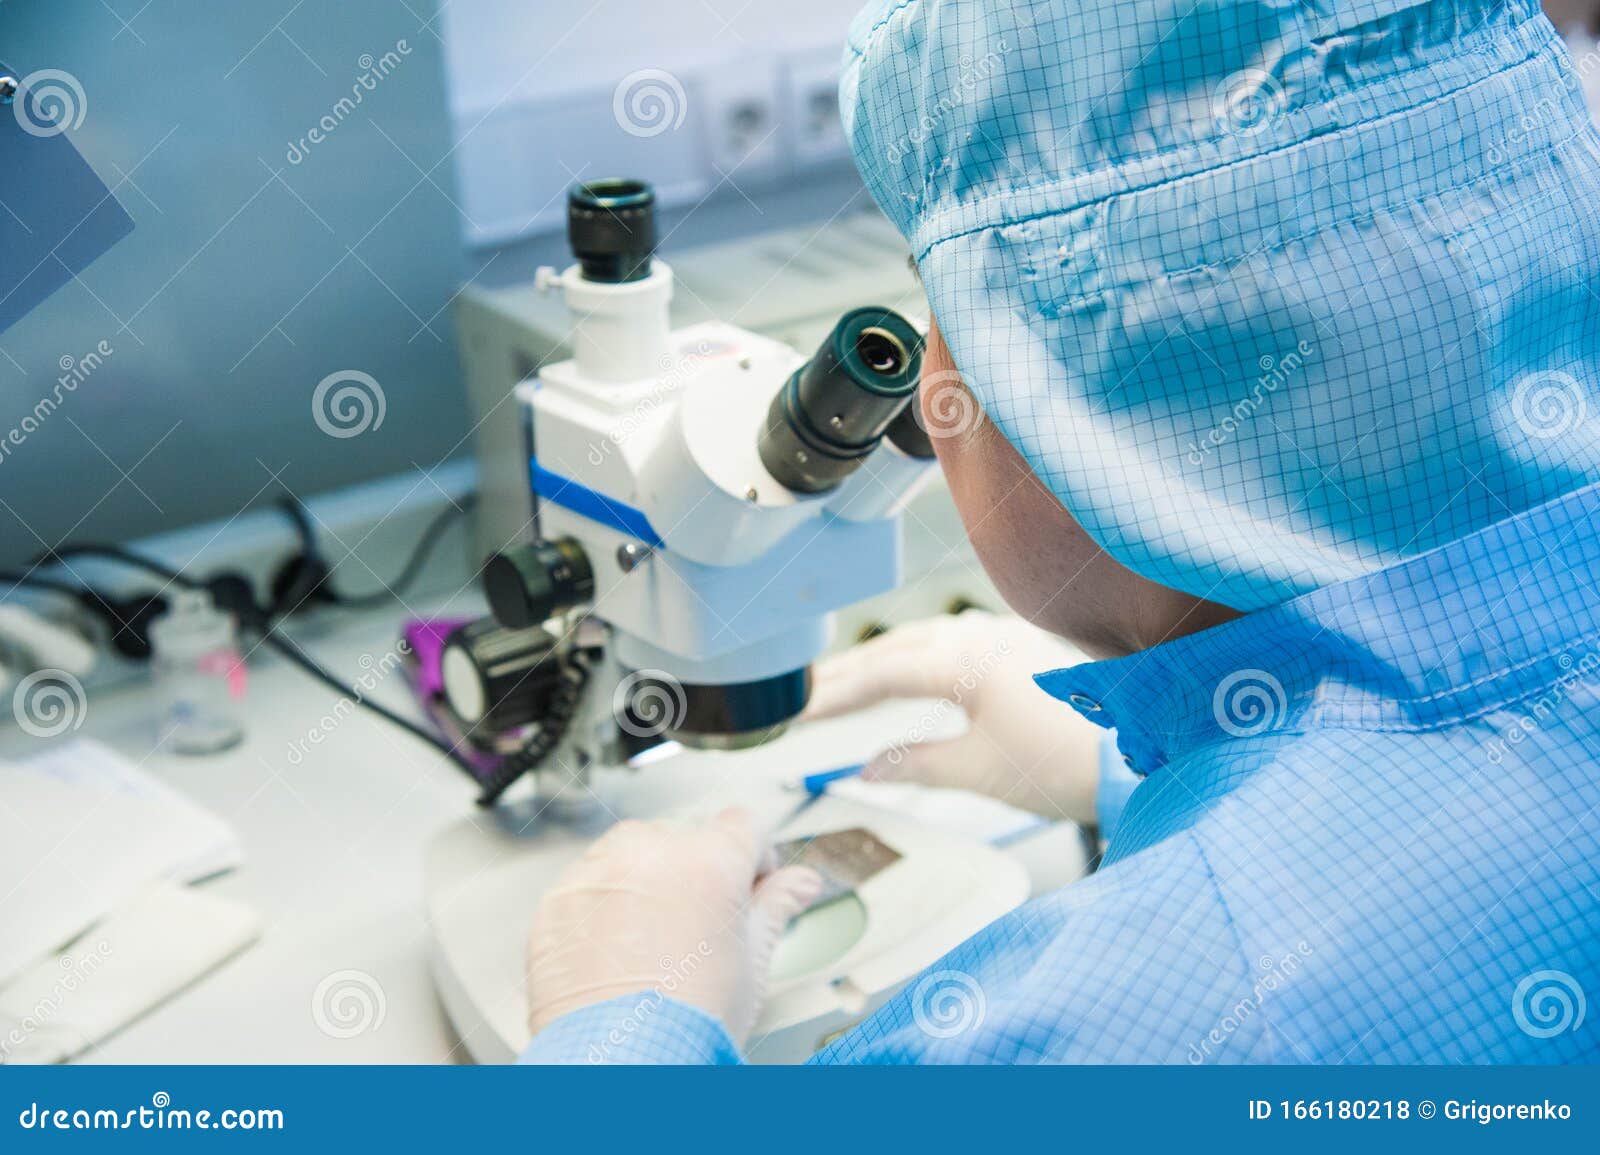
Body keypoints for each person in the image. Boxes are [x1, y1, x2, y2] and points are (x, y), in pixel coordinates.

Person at [520, 0, 1600, 1063]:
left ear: (1061, 403)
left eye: (943, 303)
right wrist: (1143, 770)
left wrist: (626, 1014)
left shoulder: (1158, 1019)